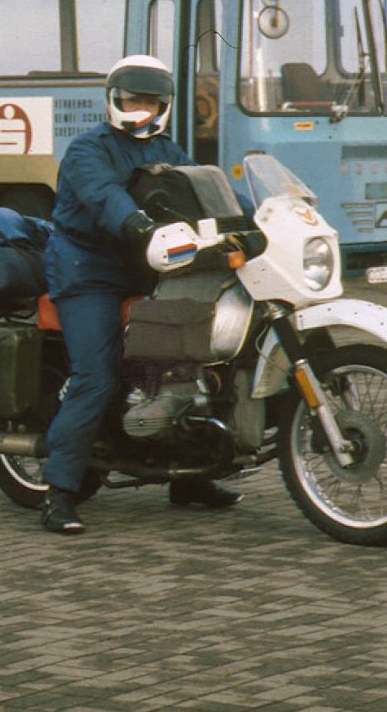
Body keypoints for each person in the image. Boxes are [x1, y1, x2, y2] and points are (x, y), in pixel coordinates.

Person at [39, 54, 241, 534]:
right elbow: (106, 198)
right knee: (97, 376)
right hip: (88, 270)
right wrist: (140, 225)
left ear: (164, 104)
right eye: (133, 99)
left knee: (192, 360)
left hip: (151, 269)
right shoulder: (89, 149)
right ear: (114, 100)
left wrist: (256, 218)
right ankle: (60, 492)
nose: (141, 109)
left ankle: (189, 480)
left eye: (150, 100)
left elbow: (209, 191)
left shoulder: (171, 151)